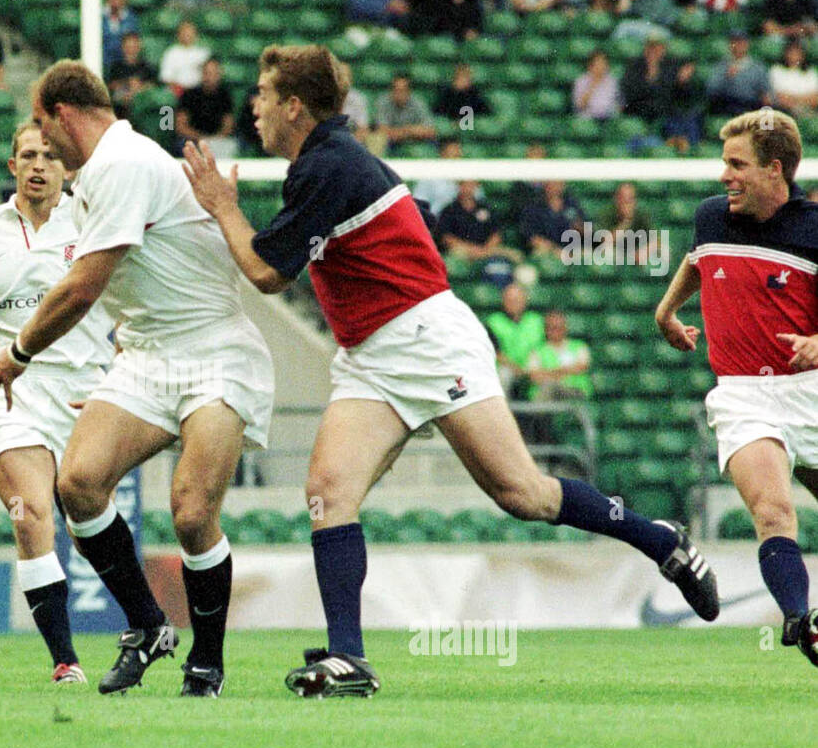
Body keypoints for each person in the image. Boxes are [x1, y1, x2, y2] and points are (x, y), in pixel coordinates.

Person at [181, 44, 718, 698]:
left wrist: (222, 204)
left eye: (264, 94)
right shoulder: (322, 162)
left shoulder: (327, 163)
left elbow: (266, 273)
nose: (254, 106)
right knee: (327, 489)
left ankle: (659, 538)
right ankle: (349, 658)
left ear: (294, 105)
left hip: (427, 341)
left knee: (524, 494)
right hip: (372, 355)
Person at [0, 61, 275, 698]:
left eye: (41, 125)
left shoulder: (123, 164)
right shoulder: (97, 177)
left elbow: (82, 288)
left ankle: (208, 664)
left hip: (214, 352)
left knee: (192, 514)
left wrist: (19, 353)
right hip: (145, 357)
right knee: (79, 484)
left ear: (61, 114)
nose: (43, 145)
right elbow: (131, 285)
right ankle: (146, 624)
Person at [0, 122, 113, 684]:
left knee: (88, 524)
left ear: (68, 167)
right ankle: (66, 661)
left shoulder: (93, 222)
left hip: (90, 387)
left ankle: (148, 624)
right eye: (28, 156)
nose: (39, 165)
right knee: (31, 515)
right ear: (12, 166)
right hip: (11, 387)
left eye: (49, 156)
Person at [656, 109, 818, 668]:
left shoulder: (813, 229)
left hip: (811, 389)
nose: (724, 175)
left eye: (736, 164)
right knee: (773, 513)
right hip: (745, 394)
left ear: (775, 170)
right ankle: (801, 619)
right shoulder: (711, 218)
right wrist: (666, 310)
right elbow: (697, 261)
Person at [486, 281, 544, 398]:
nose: (513, 303)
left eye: (517, 299)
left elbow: (543, 348)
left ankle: (540, 415)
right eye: (509, 300)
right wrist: (516, 368)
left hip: (533, 367)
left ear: (525, 300)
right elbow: (495, 352)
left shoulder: (536, 320)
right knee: (504, 375)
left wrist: (532, 368)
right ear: (503, 301)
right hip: (506, 368)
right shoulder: (494, 321)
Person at [176, 58, 235, 157]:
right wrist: (201, 138)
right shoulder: (189, 94)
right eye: (207, 73)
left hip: (218, 141)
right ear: (202, 74)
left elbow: (228, 125)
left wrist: (216, 139)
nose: (210, 77)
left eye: (214, 73)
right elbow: (181, 126)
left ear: (219, 74)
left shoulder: (225, 95)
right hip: (193, 140)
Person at [706, 31, 772, 116]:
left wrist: (765, 97)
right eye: (735, 42)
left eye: (741, 42)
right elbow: (711, 89)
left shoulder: (758, 67)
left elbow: (766, 91)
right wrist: (726, 77)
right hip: (727, 105)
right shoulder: (722, 66)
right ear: (730, 45)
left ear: (747, 44)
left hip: (749, 106)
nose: (738, 46)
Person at [369, 73, 435, 156]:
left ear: (409, 91)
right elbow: (382, 131)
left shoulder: (418, 103)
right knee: (377, 140)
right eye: (396, 90)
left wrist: (400, 132)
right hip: (390, 144)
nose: (399, 94)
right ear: (391, 90)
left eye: (403, 90)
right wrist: (409, 131)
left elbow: (430, 131)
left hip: (414, 142)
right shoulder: (382, 102)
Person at [106, 31, 155, 119]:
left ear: (139, 47)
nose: (131, 49)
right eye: (128, 46)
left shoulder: (146, 66)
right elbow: (111, 85)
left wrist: (139, 88)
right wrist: (127, 83)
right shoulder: (116, 66)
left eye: (134, 46)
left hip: (142, 101)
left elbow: (152, 85)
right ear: (123, 47)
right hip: (121, 102)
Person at [158, 19, 208, 95]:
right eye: (184, 31)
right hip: (178, 92)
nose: (187, 34)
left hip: (200, 92)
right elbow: (166, 78)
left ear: (196, 34)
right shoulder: (171, 52)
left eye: (190, 32)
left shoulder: (203, 53)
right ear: (178, 34)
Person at [769, 38, 818, 117]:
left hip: (808, 110)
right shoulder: (777, 70)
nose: (794, 55)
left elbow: (815, 98)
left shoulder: (811, 72)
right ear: (786, 53)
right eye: (791, 52)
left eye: (798, 52)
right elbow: (779, 96)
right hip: (784, 111)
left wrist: (797, 101)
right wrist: (799, 101)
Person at [573, 49, 619, 120]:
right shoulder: (581, 81)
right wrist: (593, 84)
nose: (601, 67)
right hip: (588, 118)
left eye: (603, 63)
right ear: (590, 66)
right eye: (598, 63)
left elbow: (617, 104)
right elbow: (580, 106)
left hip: (607, 118)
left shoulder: (613, 81)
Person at [101, 0, 137, 72]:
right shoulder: (97, 17)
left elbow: (133, 43)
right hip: (101, 62)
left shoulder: (131, 19)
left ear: (125, 0)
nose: (117, 1)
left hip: (122, 68)